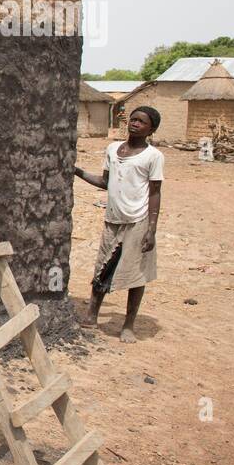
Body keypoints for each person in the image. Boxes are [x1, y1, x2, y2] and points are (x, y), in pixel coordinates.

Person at [74, 106, 164, 343]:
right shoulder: (113, 149)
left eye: (141, 122)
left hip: (138, 220)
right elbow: (105, 181)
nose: (135, 124)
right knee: (103, 266)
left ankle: (128, 325)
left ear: (151, 129)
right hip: (113, 219)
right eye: (133, 120)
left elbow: (155, 192)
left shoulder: (152, 156)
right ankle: (92, 315)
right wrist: (77, 171)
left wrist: (151, 230)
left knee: (136, 274)